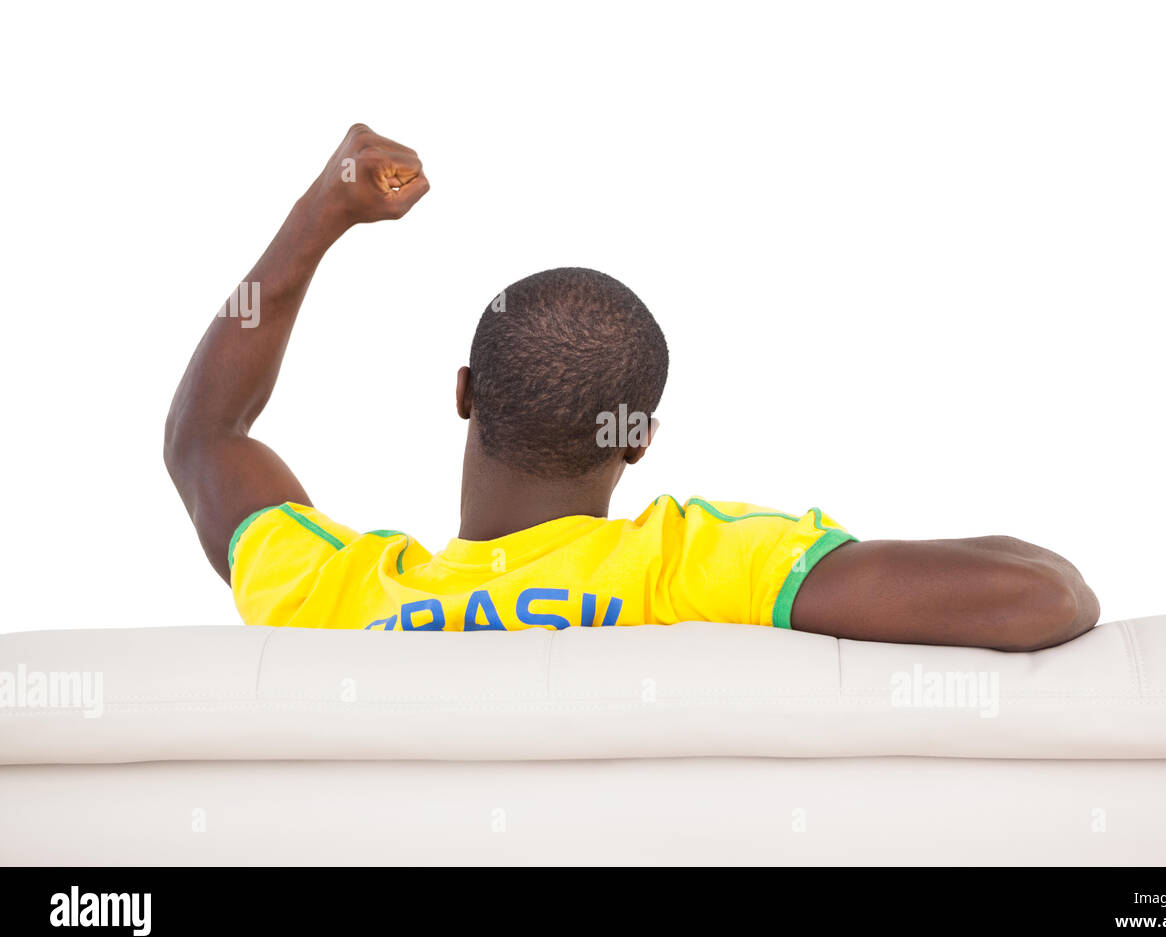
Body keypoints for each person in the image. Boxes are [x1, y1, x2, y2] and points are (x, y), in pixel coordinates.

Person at [164, 125, 1100, 651]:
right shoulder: (691, 566)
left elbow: (205, 436)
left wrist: (322, 210)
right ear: (638, 437)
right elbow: (1037, 597)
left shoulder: (334, 593)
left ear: (462, 392)